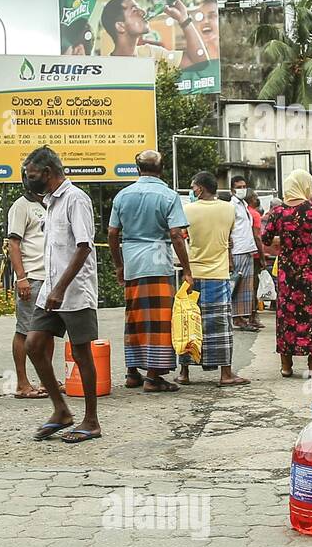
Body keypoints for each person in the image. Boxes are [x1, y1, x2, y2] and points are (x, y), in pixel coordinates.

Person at [21, 146, 101, 444]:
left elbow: (84, 247)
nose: (29, 181)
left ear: (48, 173)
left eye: (32, 176)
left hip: (74, 290)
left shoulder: (75, 199)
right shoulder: (51, 202)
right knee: (33, 343)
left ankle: (91, 420)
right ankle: (61, 410)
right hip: (51, 289)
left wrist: (60, 288)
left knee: (81, 353)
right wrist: (51, 288)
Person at [109, 149, 193, 392]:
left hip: (133, 261)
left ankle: (132, 372)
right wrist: (187, 269)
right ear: (162, 169)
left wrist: (118, 266)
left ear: (138, 170)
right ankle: (153, 377)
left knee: (134, 316)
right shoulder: (168, 195)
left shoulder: (123, 196)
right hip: (157, 261)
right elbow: (176, 234)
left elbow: (113, 233)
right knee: (157, 320)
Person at [176, 172, 248, 387]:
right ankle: (226, 373)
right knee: (221, 326)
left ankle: (184, 372)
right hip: (219, 275)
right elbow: (228, 240)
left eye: (193, 187)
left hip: (194, 274)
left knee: (190, 324)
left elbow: (180, 236)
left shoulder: (187, 210)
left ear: (199, 188)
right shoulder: (229, 209)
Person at [262, 170, 312, 378]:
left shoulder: (277, 212)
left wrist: (282, 241)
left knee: (287, 315)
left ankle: (286, 366)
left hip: (287, 272)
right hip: (311, 269)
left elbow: (266, 239)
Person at [6, 186, 48, 398]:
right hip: (31, 277)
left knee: (48, 330)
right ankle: (22, 384)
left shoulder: (50, 202)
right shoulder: (20, 206)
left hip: (50, 277)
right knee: (24, 330)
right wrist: (21, 277)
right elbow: (13, 243)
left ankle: (45, 380)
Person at [99, 0, 209, 69]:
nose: (143, 12)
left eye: (140, 8)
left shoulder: (152, 54)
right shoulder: (106, 68)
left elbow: (200, 64)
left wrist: (184, 19)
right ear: (120, 26)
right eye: (135, 10)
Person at [228, 176, 262, 331]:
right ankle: (237, 318)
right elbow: (228, 229)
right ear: (232, 190)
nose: (242, 189)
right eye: (239, 187)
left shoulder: (244, 205)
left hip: (247, 249)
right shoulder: (231, 206)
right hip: (238, 250)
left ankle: (243, 317)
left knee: (246, 287)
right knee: (238, 285)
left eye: (244, 186)